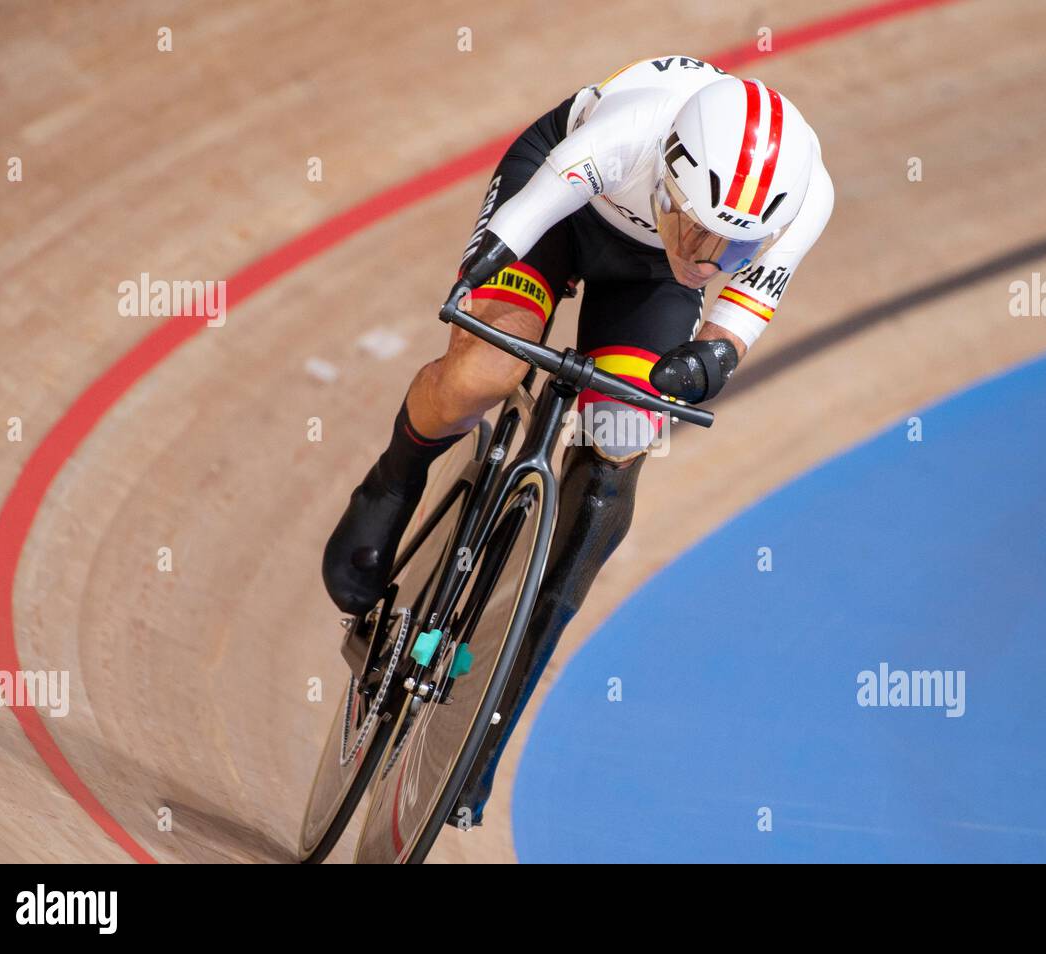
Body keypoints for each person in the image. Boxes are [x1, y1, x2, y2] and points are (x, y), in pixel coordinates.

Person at [322, 55, 834, 826]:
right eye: (699, 230)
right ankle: (392, 481)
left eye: (730, 250)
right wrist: (481, 285)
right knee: (483, 376)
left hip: (647, 283)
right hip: (560, 214)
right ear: (668, 182)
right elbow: (521, 222)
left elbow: (736, 321)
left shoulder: (804, 198)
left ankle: (488, 727)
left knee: (616, 456)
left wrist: (706, 359)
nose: (706, 258)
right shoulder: (628, 134)